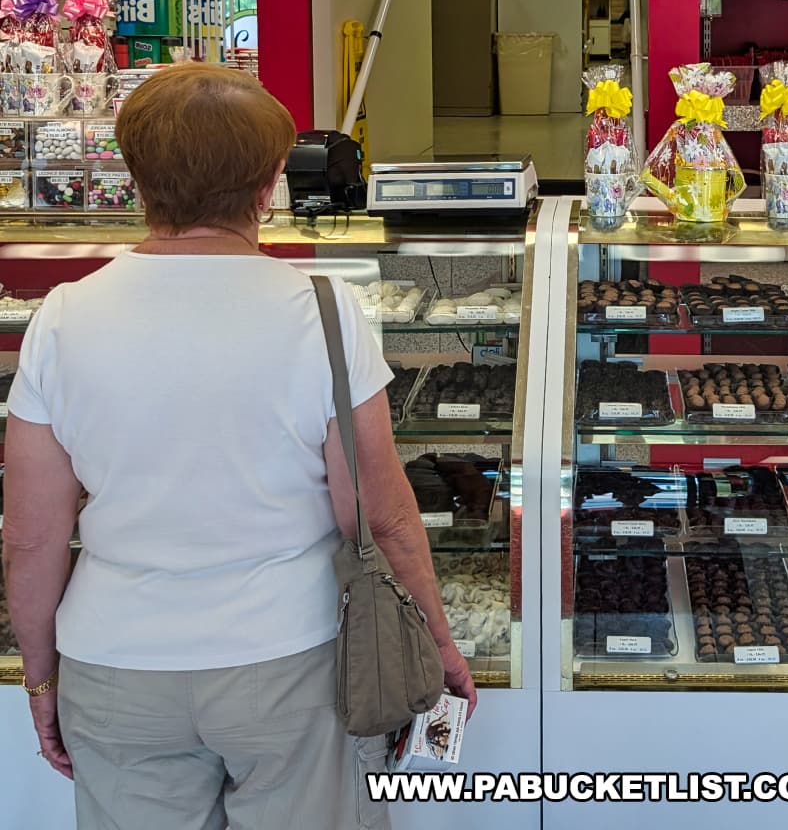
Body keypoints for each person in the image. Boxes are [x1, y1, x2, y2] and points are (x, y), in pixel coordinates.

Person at [2, 62, 475, 829]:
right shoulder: (324, 311)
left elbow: (31, 538)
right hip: (293, 662)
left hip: (118, 664)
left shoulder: (61, 317)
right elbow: (381, 518)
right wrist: (440, 646)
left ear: (135, 175)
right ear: (268, 185)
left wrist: (41, 681)